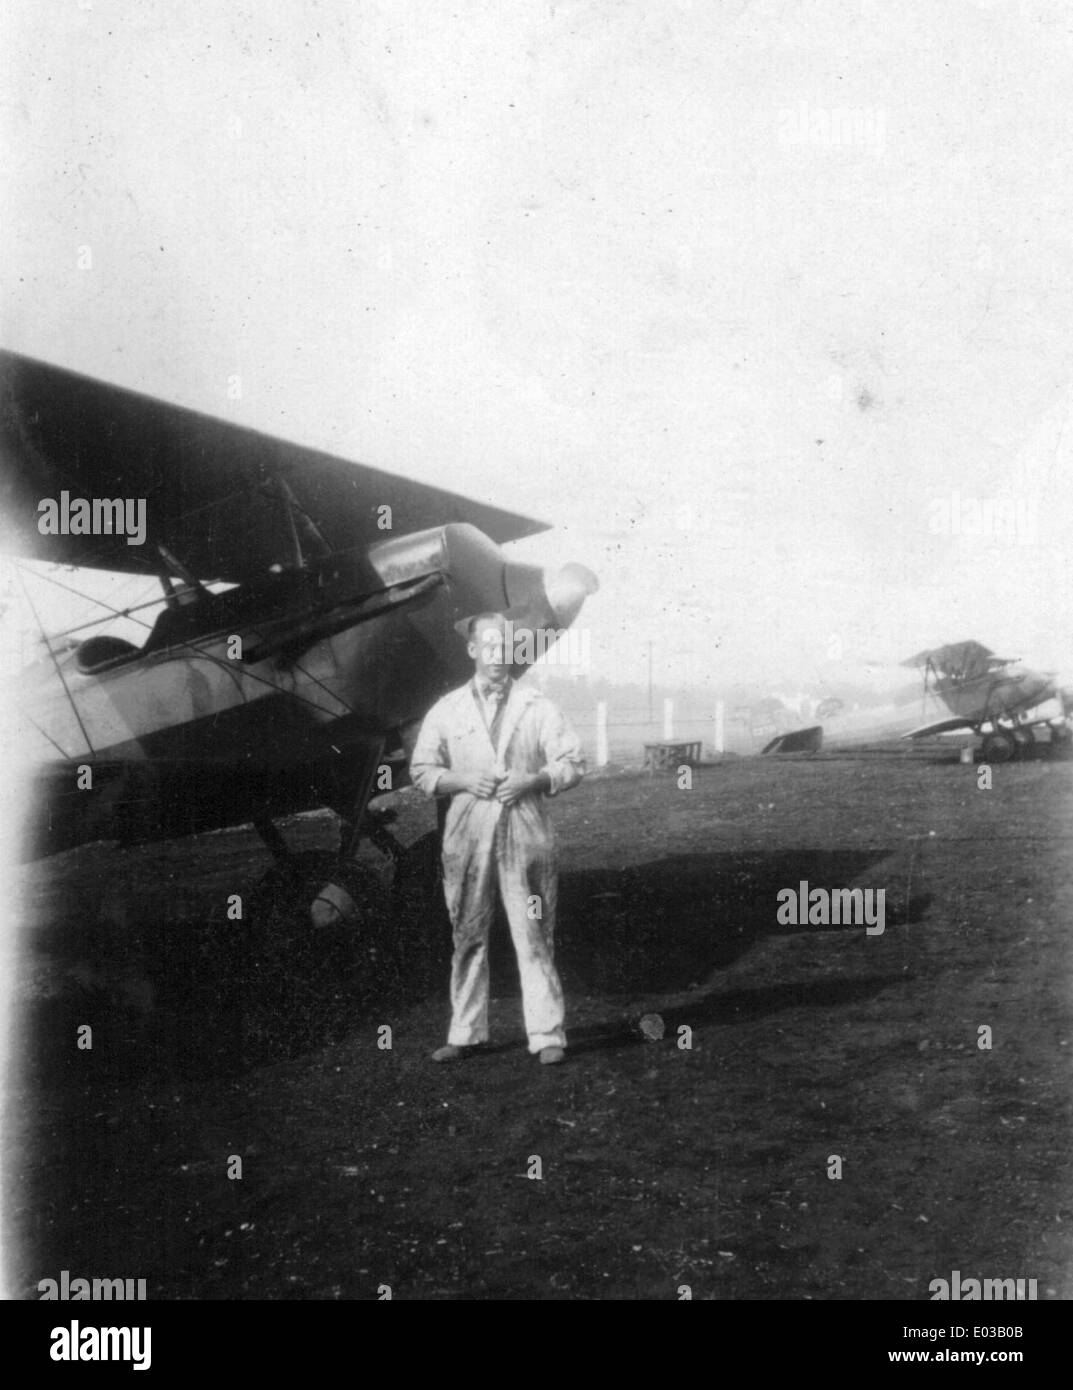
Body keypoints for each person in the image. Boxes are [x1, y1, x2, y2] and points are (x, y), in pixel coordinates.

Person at [410, 611, 585, 1065]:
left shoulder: (537, 705)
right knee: (468, 932)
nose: (496, 656)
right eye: (488, 647)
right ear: (472, 651)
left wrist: (533, 779)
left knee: (533, 931)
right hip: (468, 834)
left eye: (504, 646)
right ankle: (466, 1033)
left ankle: (547, 1035)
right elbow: (422, 770)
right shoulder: (446, 710)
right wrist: (465, 780)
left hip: (525, 831)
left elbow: (572, 762)